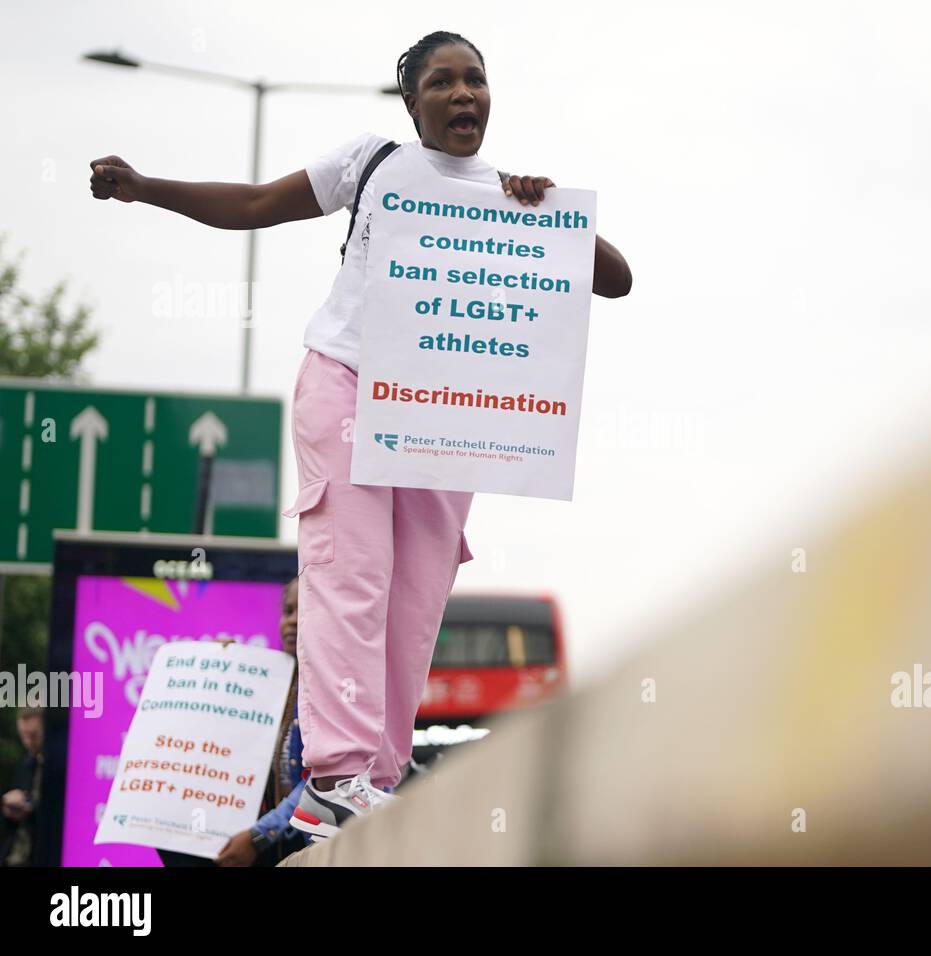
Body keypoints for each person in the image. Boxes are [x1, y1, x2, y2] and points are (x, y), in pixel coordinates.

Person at [89, 30, 632, 840]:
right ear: (411, 101)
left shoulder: (509, 192)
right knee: (353, 573)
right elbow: (251, 204)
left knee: (414, 599)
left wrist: (550, 216)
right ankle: (336, 772)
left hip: (445, 418)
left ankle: (375, 777)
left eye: (475, 80)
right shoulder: (374, 161)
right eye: (441, 82)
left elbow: (615, 279)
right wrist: (146, 187)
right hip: (348, 386)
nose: (462, 94)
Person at [214, 577, 312, 865]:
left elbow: (324, 781)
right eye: (287, 611)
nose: (291, 622)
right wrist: (223, 672)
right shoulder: (275, 683)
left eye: (304, 611)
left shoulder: (335, 685)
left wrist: (258, 837)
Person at [1, 707, 44, 867]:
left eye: (33, 735)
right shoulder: (25, 766)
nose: (28, 742)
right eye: (23, 736)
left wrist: (30, 808)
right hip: (15, 855)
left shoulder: (60, 769)